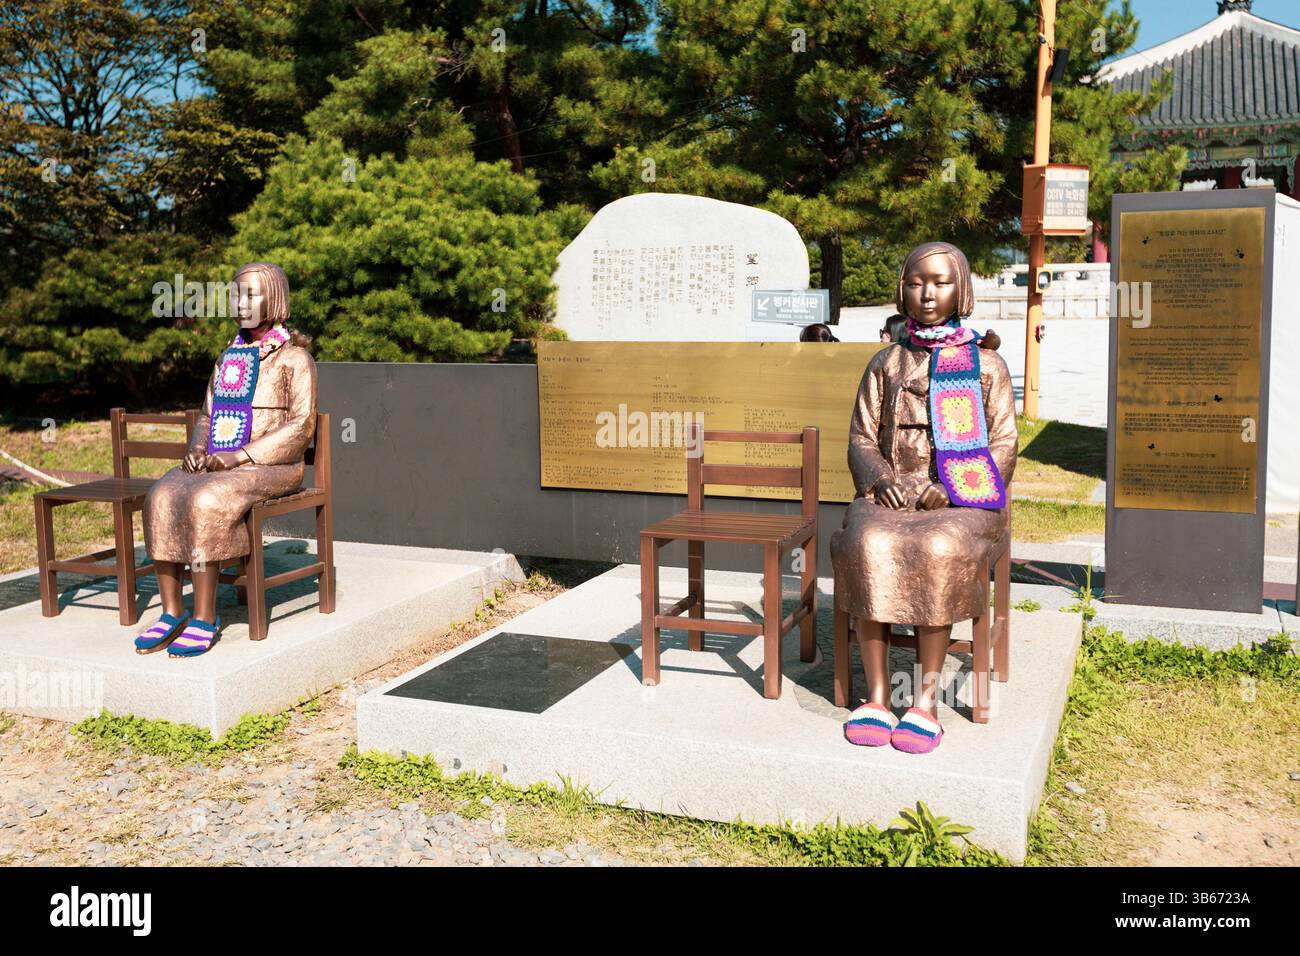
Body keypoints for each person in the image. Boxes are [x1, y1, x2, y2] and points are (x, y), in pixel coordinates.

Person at [829, 242, 1017, 754]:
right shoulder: (886, 363)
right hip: (890, 495)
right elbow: (860, 437)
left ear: (963, 289)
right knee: (868, 544)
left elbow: (1003, 443)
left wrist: (953, 486)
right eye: (916, 282)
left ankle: (925, 700)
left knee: (936, 550)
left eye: (940, 282)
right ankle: (876, 695)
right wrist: (880, 477)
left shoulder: (985, 365)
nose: (927, 293)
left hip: (962, 500)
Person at [136, 263, 317, 656]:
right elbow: (207, 415)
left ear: (276, 298)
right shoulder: (227, 358)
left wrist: (240, 456)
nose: (241, 301)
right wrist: (198, 450)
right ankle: (172, 611)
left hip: (273, 466)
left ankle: (204, 616)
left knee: (205, 501)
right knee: (162, 495)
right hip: (222, 462)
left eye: (252, 294)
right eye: (237, 294)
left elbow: (302, 427)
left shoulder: (295, 360)